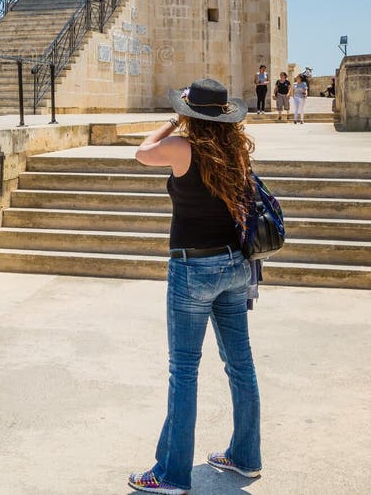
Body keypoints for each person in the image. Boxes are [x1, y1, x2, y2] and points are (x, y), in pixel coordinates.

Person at [129, 78, 261, 495]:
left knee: (184, 371)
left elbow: (141, 152)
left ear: (191, 113)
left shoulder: (181, 147)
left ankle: (171, 475)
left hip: (193, 268)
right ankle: (245, 456)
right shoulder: (236, 151)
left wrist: (173, 121)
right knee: (240, 363)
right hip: (235, 265)